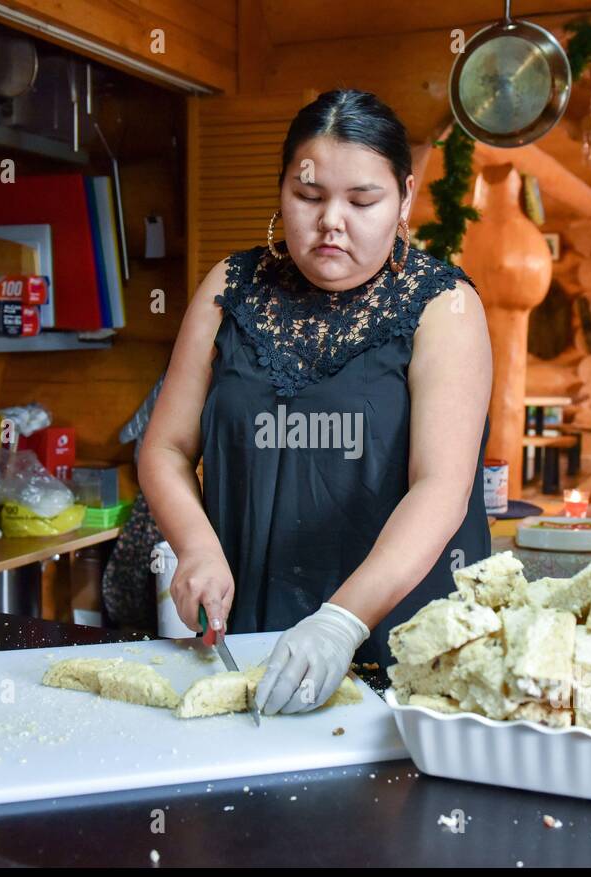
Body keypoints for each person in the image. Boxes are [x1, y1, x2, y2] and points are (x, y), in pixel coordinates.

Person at [139, 88, 492, 715]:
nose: (332, 220)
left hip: (398, 634)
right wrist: (195, 545)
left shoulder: (445, 306)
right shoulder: (230, 286)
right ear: (281, 193)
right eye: (308, 197)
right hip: (250, 623)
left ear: (406, 198)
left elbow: (440, 487)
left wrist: (340, 622)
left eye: (362, 200)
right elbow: (166, 446)